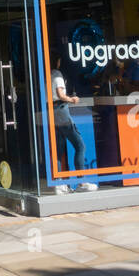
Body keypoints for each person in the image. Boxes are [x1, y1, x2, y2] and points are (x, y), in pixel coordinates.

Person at [50, 56, 98, 194]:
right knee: (80, 145)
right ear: (58, 61)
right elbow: (60, 94)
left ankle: (58, 185)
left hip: (52, 112)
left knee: (58, 150)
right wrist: (72, 99)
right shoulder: (57, 74)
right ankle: (82, 182)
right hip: (61, 111)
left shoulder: (47, 75)